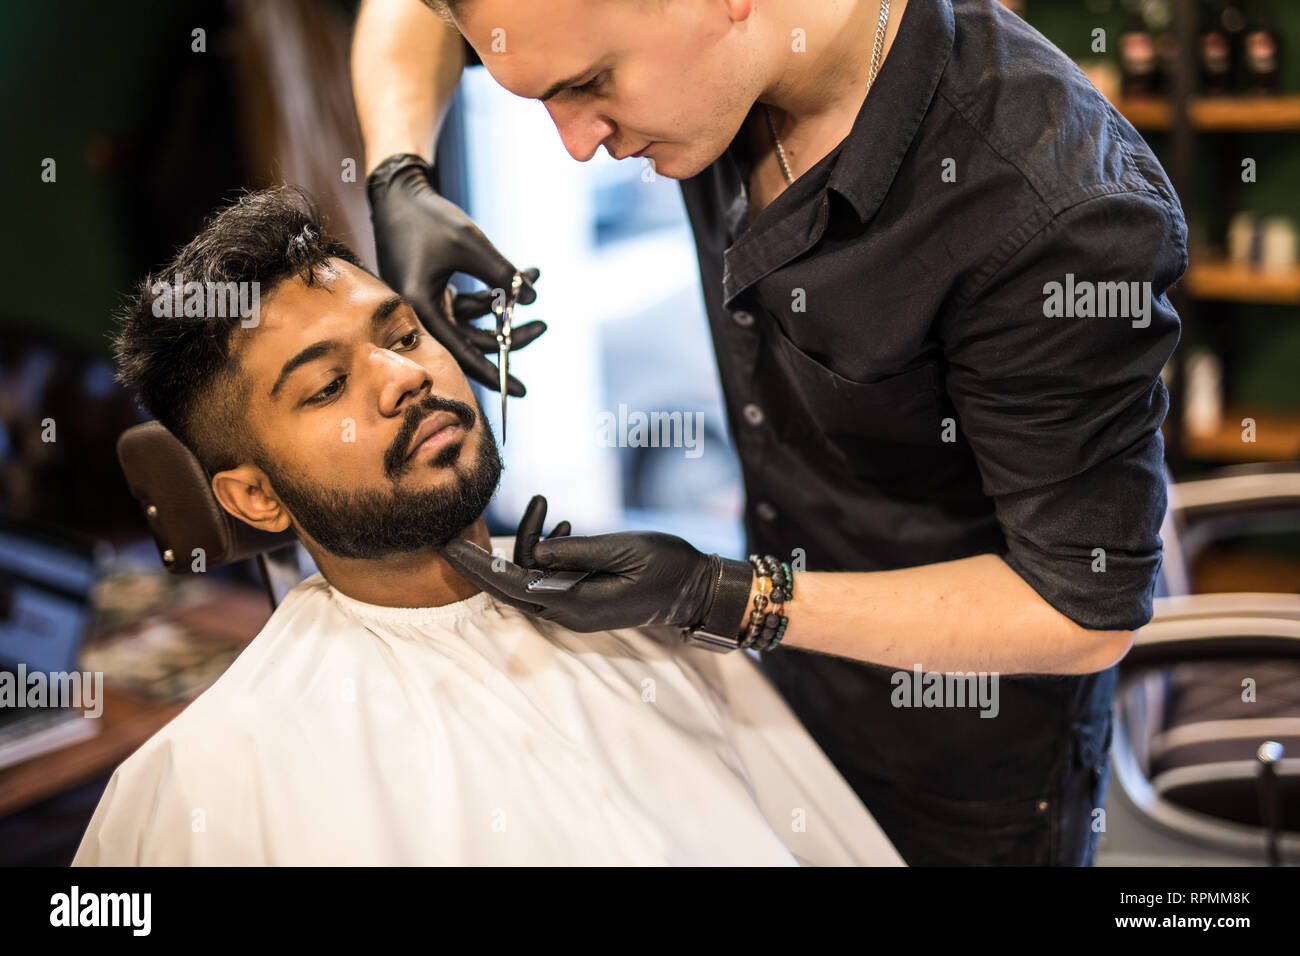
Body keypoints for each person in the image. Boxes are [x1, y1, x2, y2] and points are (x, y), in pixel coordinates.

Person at [353, 0, 1185, 865]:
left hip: (959, 754)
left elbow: (1080, 611)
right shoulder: (715, 64)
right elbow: (404, 9)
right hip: (778, 698)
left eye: (592, 85)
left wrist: (730, 598)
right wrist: (399, 179)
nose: (575, 141)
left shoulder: (1051, 209)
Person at [71, 187, 903, 866]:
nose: (404, 375)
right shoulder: (211, 782)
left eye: (401, 334)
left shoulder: (640, 613)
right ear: (256, 497)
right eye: (327, 387)